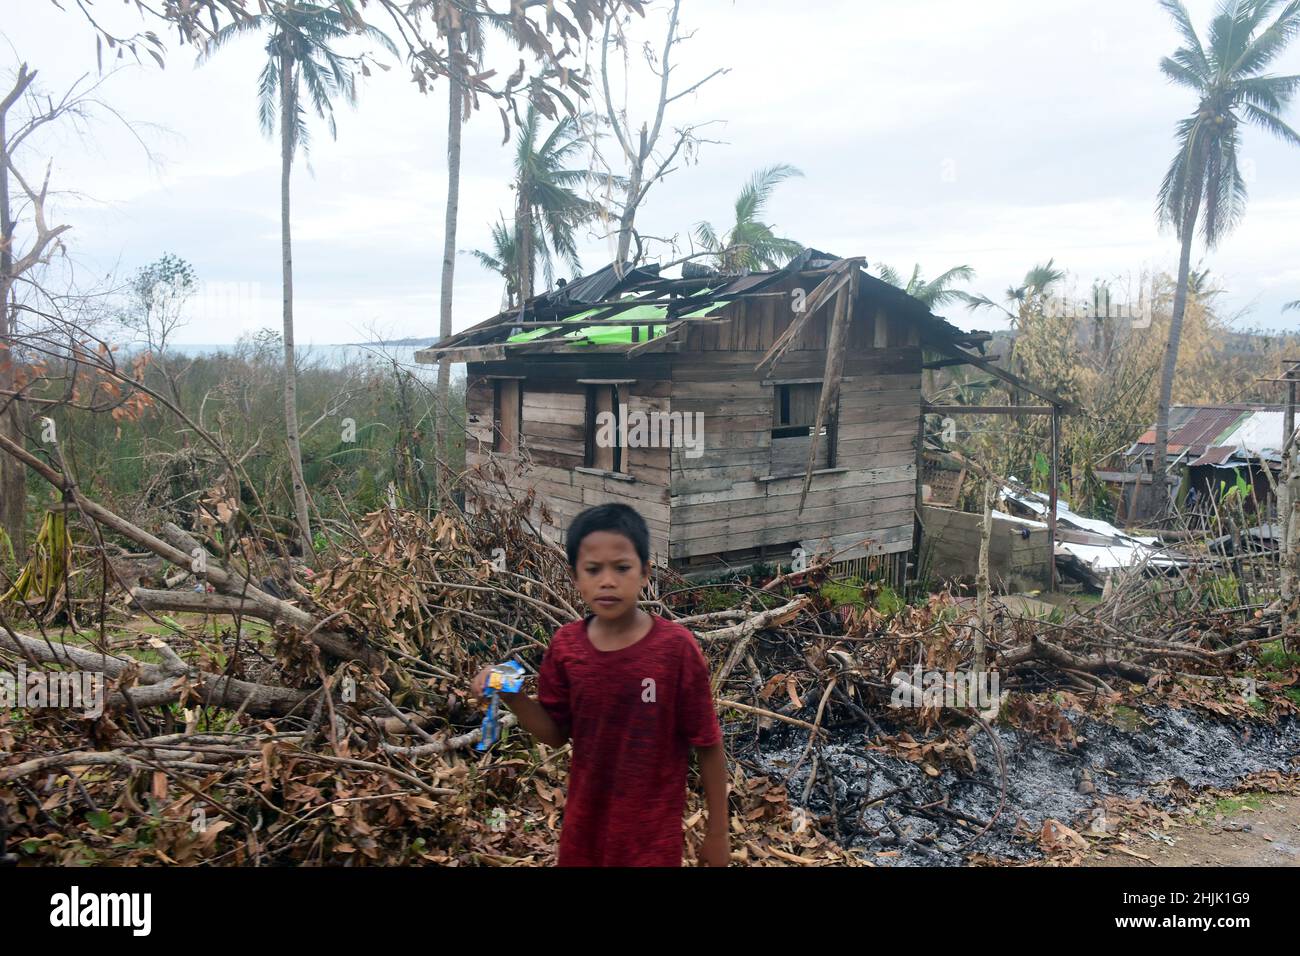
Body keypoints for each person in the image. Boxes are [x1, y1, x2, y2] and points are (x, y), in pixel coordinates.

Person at [471, 503, 729, 866]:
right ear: (575, 578)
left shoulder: (675, 650)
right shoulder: (566, 648)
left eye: (621, 568)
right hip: (584, 834)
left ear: (645, 573)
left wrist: (718, 832)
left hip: (650, 842)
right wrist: (512, 695)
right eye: (593, 570)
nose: (607, 580)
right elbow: (557, 733)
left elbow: (708, 743)